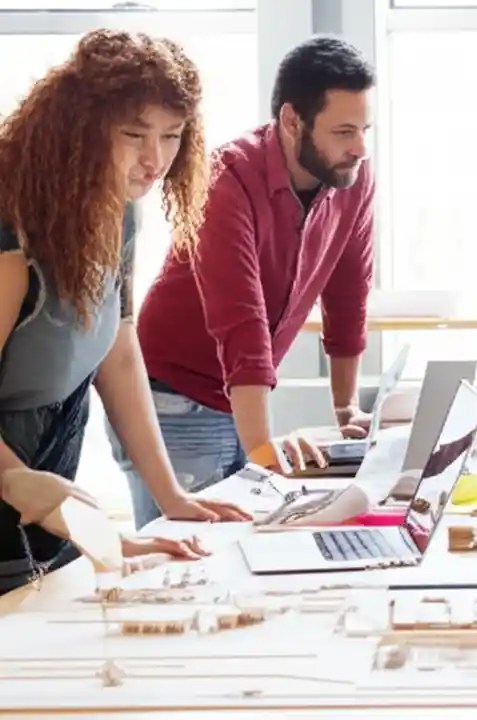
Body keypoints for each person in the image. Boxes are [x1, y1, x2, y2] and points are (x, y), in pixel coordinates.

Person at [0, 31, 250, 594]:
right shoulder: (11, 224)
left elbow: (118, 352)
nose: (155, 159)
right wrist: (22, 486)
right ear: (79, 129)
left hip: (39, 493)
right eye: (134, 134)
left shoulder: (120, 212)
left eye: (172, 136)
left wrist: (172, 499)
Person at [121, 36, 377, 527]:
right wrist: (264, 450)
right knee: (195, 556)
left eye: (364, 129)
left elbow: (348, 293)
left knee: (246, 542)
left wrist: (346, 408)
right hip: (175, 395)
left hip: (237, 393)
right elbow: (242, 321)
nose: (360, 147)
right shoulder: (226, 178)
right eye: (344, 131)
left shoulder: (353, 177)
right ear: (290, 121)